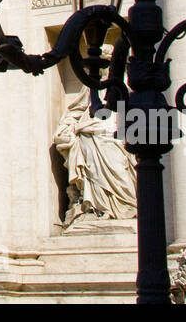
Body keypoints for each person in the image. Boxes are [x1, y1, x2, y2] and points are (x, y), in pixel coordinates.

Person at [53, 90, 137, 226]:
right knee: (95, 172)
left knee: (121, 172)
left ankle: (127, 205)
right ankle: (101, 208)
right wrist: (69, 128)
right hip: (91, 135)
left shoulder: (128, 82)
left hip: (116, 135)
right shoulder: (91, 87)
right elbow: (76, 110)